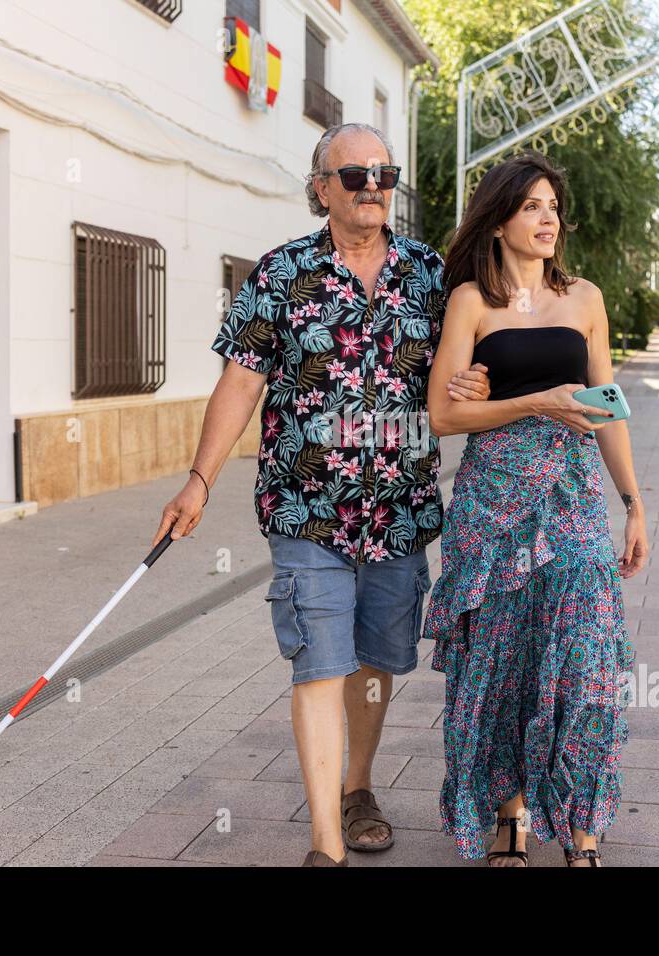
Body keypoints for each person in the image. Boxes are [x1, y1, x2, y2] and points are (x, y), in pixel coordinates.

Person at [153, 122, 491, 867]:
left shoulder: (431, 276)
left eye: (384, 174)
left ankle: (357, 787)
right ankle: (326, 846)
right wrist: (200, 478)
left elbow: (465, 366)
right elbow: (241, 380)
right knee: (319, 662)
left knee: (375, 663)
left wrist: (476, 382)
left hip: (401, 512)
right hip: (306, 508)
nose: (373, 187)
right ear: (320, 189)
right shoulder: (282, 273)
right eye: (354, 176)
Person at [423, 151, 648, 867]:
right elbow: (443, 417)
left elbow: (607, 406)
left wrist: (634, 503)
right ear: (498, 221)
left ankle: (583, 830)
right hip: (492, 507)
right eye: (531, 207)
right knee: (501, 660)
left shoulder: (584, 298)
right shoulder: (470, 303)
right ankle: (509, 819)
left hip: (575, 500)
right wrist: (536, 402)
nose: (548, 218)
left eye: (553, 206)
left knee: (585, 656)